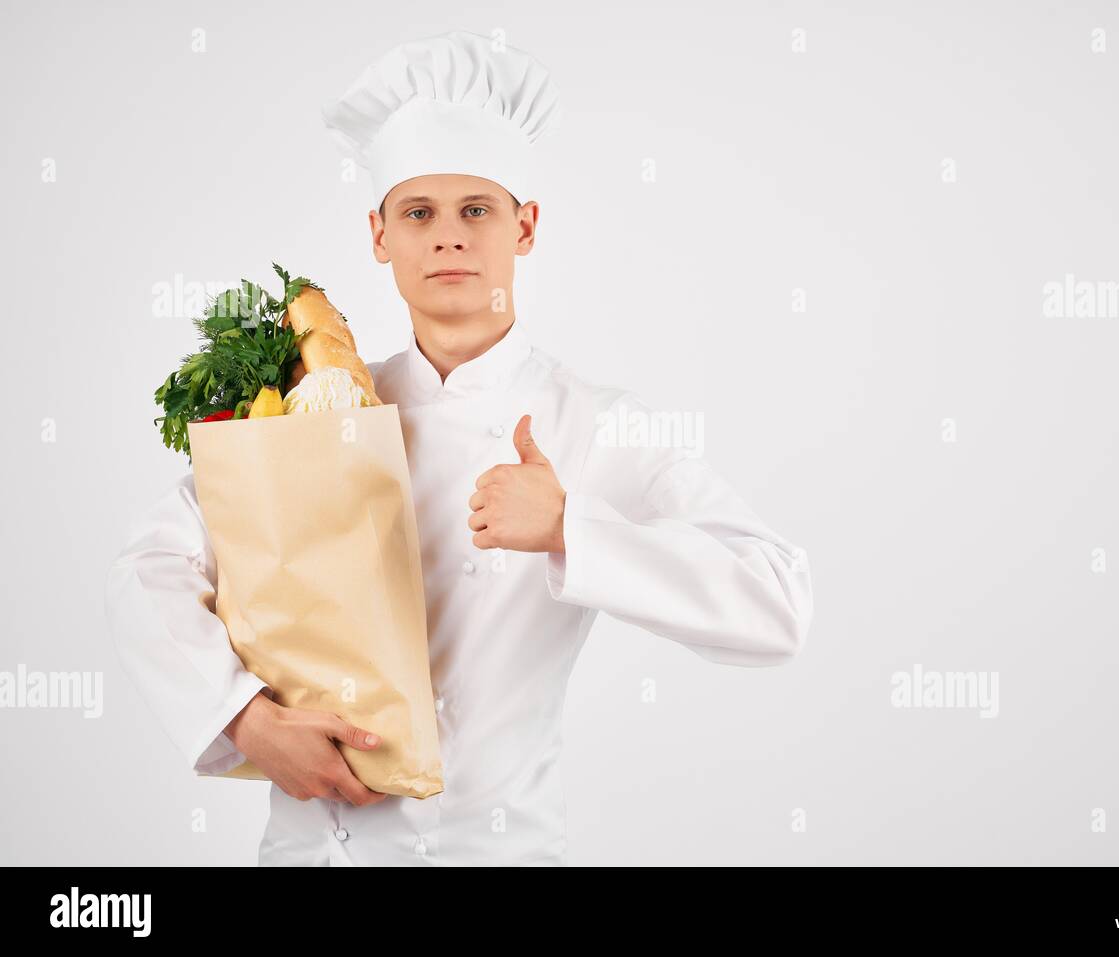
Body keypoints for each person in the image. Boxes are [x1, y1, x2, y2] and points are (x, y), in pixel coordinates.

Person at [104, 30, 813, 866]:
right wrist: (246, 718)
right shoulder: (312, 402)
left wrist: (569, 528)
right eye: (418, 213)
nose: (448, 237)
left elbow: (777, 604)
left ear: (527, 226)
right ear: (378, 235)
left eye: (477, 209)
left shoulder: (589, 422)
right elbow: (148, 566)